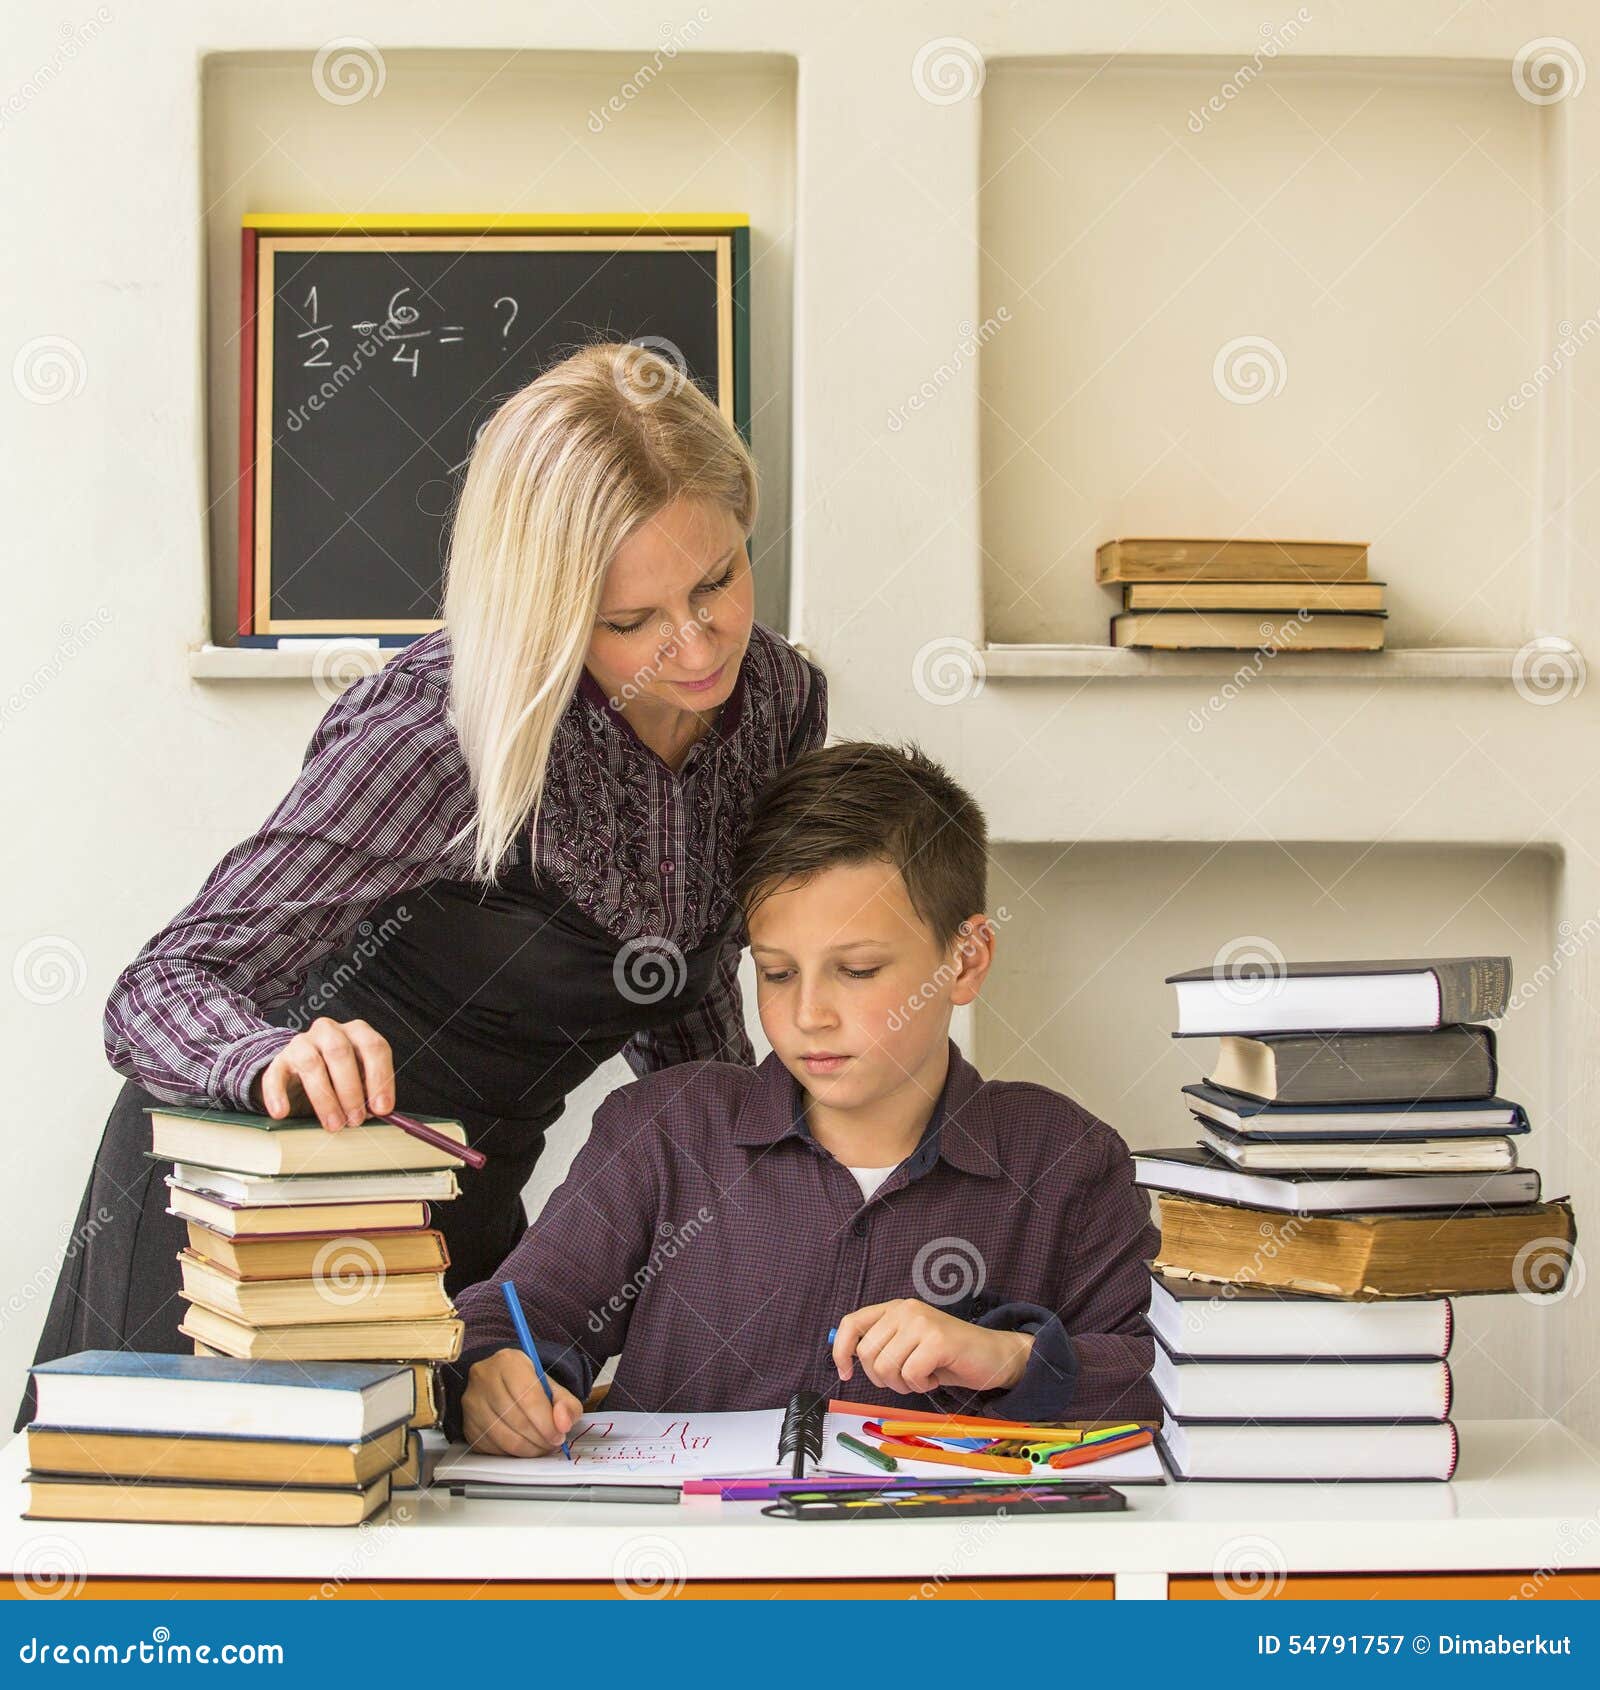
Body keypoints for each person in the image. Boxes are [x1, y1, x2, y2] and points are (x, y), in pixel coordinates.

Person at [18, 342, 826, 1429]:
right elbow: (159, 984)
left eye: (717, 580)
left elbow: (682, 999)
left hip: (460, 1222)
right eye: (630, 622)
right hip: (248, 1221)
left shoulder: (776, 704)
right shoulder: (442, 730)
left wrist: (771, 1174)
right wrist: (271, 1058)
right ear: (547, 608)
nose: (694, 643)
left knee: (445, 1575)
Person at [449, 741, 1161, 1451]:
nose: (809, 1014)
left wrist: (1011, 1358)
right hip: (689, 1555)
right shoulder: (665, 1133)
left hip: (938, 1560)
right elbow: (517, 1314)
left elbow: (1157, 1382)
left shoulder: (1068, 1160)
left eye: (856, 970)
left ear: (965, 959)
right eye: (778, 974)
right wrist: (497, 1373)